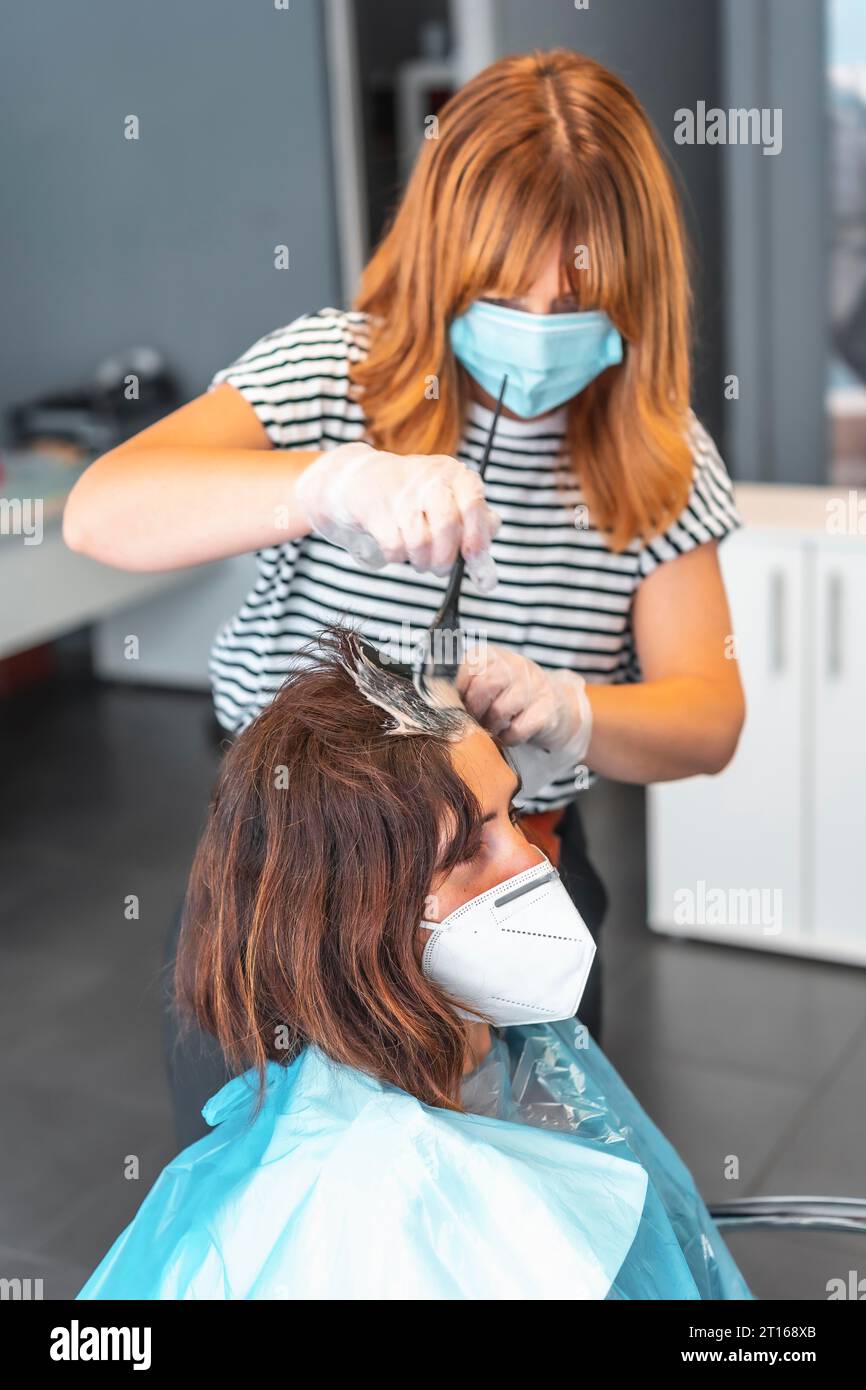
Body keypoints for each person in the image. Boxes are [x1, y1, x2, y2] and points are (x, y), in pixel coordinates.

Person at [63, 48, 745, 1138]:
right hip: (297, 880)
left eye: (572, 301)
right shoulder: (335, 375)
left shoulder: (659, 458)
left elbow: (706, 720)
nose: (533, 324)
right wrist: (325, 480)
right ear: (438, 257)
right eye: (498, 290)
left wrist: (574, 707)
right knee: (276, 1186)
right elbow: (103, 509)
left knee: (521, 1188)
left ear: (634, 288)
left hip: (514, 882)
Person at [76, 629, 752, 1301]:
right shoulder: (371, 1196)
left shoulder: (505, 1043)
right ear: (355, 915)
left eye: (512, 815)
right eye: (466, 851)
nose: (534, 862)